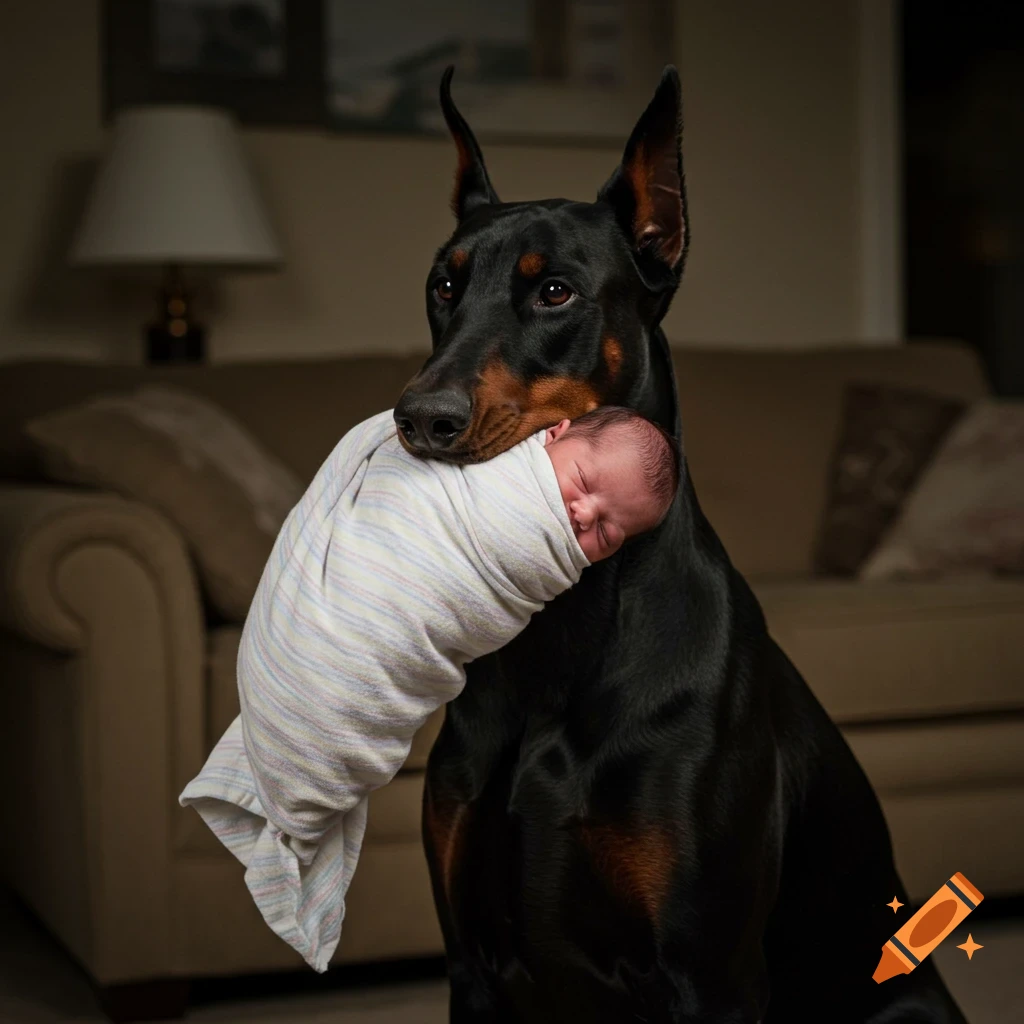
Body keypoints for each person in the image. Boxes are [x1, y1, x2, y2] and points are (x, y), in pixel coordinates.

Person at [180, 406, 678, 972]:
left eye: (609, 533)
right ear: (554, 433)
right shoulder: (497, 466)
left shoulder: (546, 566)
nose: (583, 515)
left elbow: (471, 618)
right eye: (584, 483)